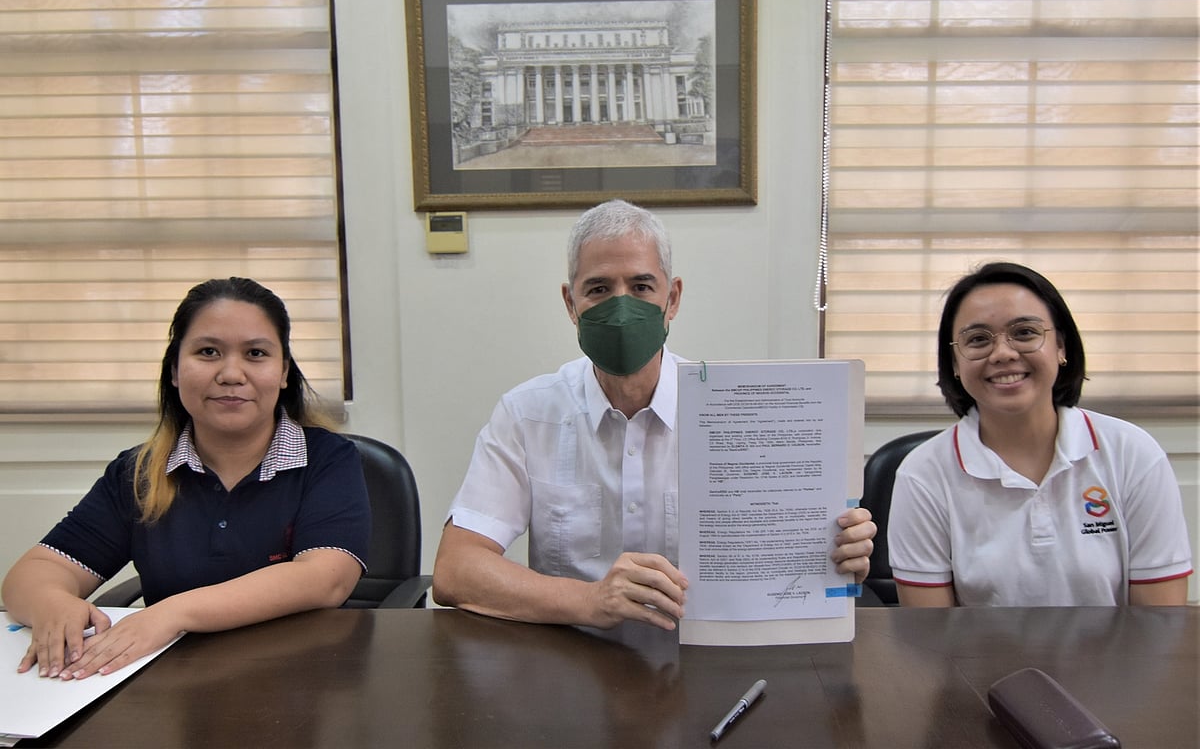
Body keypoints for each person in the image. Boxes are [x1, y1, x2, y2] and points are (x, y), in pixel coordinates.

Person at [432, 199, 877, 631]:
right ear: (571, 304)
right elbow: (456, 569)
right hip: (569, 658)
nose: (621, 308)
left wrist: (833, 556)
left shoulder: (735, 416)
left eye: (642, 287)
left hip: (702, 655)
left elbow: (778, 565)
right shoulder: (528, 415)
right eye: (599, 289)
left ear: (673, 299)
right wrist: (588, 601)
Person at [2, 277, 370, 679]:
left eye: (256, 353)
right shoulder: (139, 473)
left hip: (304, 677)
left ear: (283, 372)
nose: (232, 373)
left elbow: (325, 578)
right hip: (175, 685)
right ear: (175, 370)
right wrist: (52, 604)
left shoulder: (327, 459)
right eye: (208, 352)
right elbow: (33, 573)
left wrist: (173, 612)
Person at [889, 262, 1192, 607]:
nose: (1003, 353)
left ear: (1061, 346)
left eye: (1024, 333)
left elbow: (1158, 626)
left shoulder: (1132, 454)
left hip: (1114, 662)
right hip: (975, 663)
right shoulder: (923, 474)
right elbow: (930, 638)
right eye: (977, 340)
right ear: (955, 364)